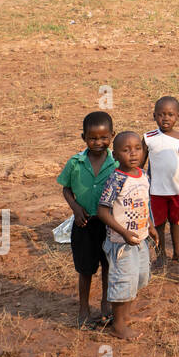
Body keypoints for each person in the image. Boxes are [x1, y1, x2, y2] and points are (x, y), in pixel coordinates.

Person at [56, 110, 117, 327]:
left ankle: (106, 303)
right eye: (92, 138)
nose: (98, 142)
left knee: (109, 265)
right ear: (84, 138)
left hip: (109, 224)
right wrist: (75, 208)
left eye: (103, 137)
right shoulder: (75, 163)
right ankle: (83, 307)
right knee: (85, 269)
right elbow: (66, 189)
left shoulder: (116, 163)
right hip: (84, 224)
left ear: (112, 135)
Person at [97, 131, 158, 339]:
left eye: (137, 149)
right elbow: (102, 211)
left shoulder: (143, 175)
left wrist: (150, 226)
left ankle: (126, 316)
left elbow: (144, 203)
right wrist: (123, 232)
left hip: (140, 239)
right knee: (123, 281)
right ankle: (118, 325)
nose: (133, 154)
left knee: (139, 278)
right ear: (115, 155)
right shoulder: (116, 179)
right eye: (126, 150)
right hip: (120, 243)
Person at [145, 96, 179, 267]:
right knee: (158, 224)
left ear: (177, 117)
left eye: (170, 114)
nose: (165, 118)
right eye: (161, 114)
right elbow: (141, 163)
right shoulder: (148, 137)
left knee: (177, 222)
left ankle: (177, 252)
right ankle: (161, 255)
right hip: (155, 191)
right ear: (154, 116)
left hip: (176, 190)